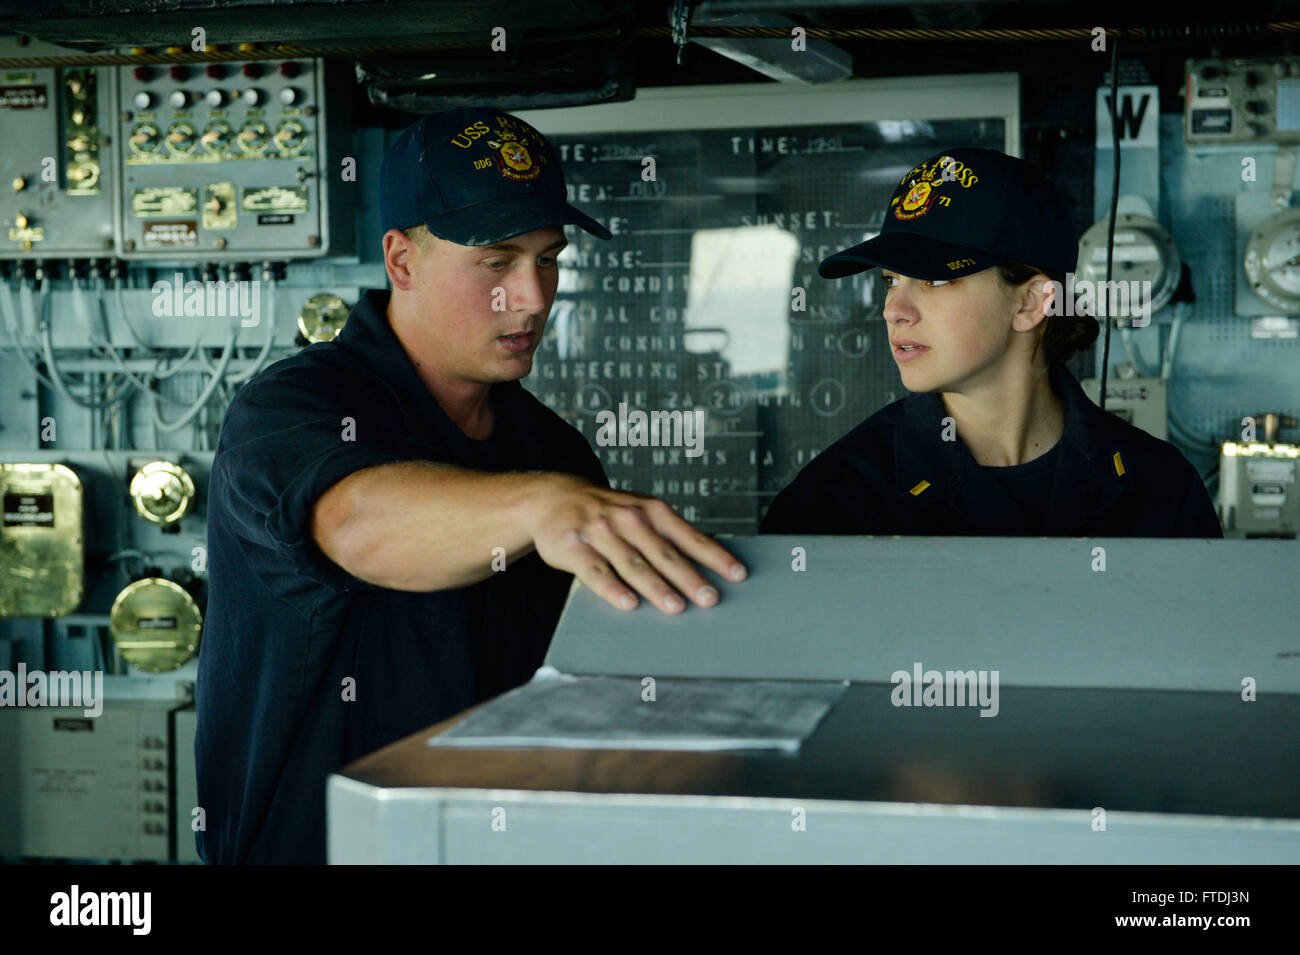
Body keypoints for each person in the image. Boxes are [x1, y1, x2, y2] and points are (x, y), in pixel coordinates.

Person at [196, 106, 748, 864]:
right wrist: (541, 506)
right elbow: (360, 523)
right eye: (496, 260)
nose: (532, 296)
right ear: (401, 260)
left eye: (548, 258)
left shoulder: (553, 451)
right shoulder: (294, 408)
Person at [760, 147, 1222, 538]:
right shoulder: (831, 503)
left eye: (935, 281)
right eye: (890, 280)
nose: (893, 309)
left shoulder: (1160, 488)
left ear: (1031, 303)